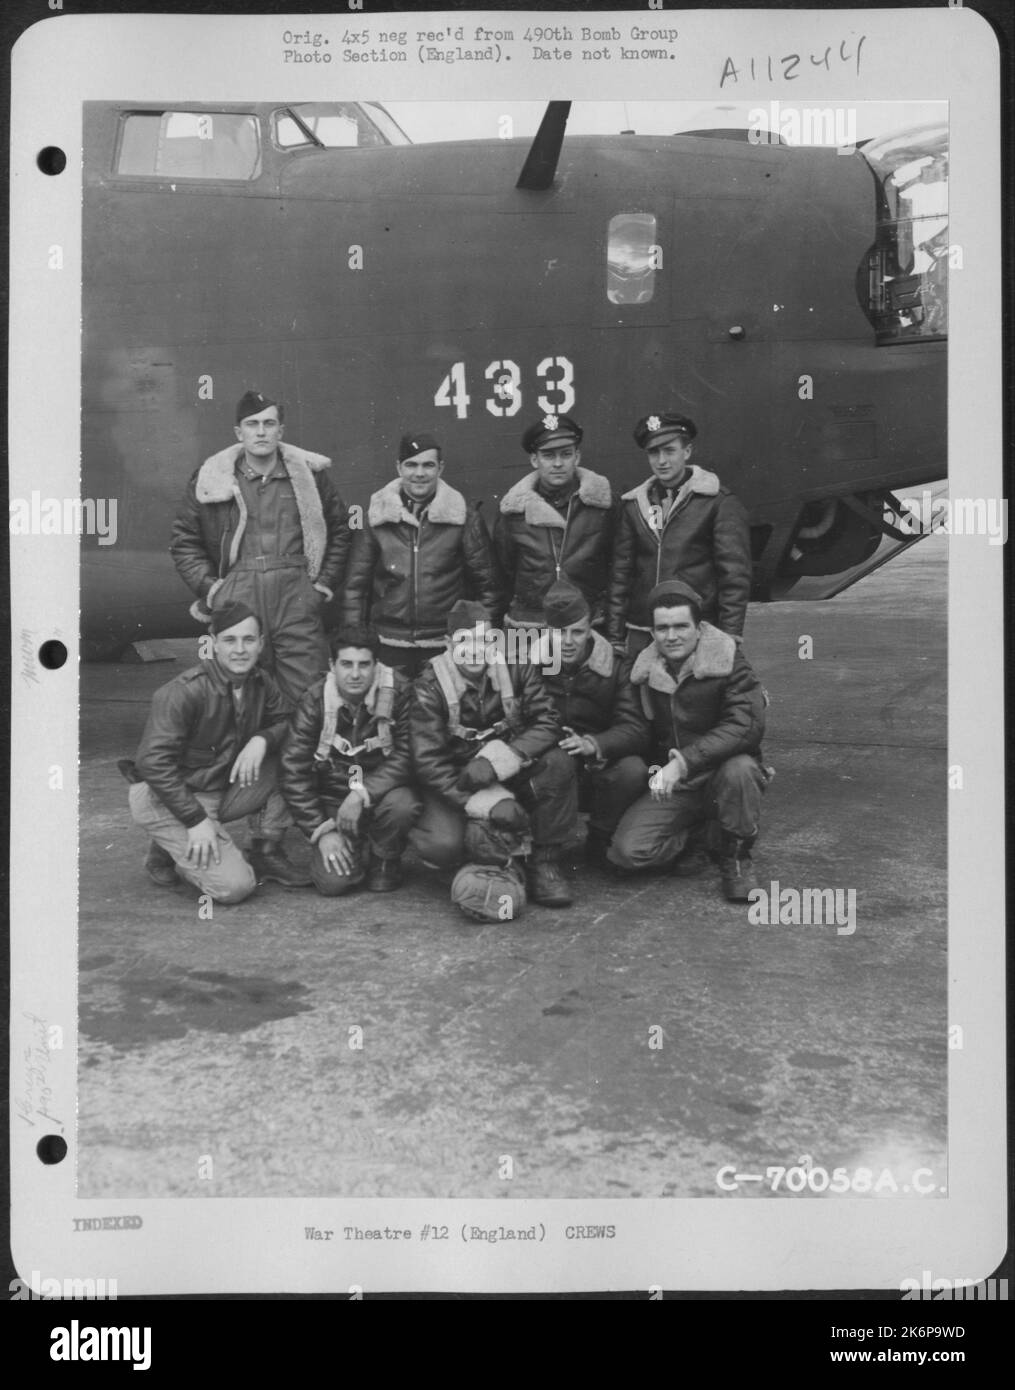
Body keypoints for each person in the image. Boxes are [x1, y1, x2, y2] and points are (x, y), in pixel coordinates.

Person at [170, 389, 352, 707]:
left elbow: (340, 532)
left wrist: (321, 586)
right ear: (239, 433)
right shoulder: (212, 479)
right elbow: (184, 540)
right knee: (239, 694)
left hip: (296, 594)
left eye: (269, 423)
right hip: (239, 593)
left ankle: (302, 758)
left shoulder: (310, 477)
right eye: (252, 424)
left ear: (281, 431)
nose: (261, 431)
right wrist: (214, 591)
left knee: (309, 692)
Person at [127, 603, 309, 902]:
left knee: (294, 755)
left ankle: (265, 849)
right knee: (235, 887)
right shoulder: (184, 691)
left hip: (217, 789)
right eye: (230, 640)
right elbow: (152, 762)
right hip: (165, 797)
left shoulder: (260, 682)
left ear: (261, 644)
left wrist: (262, 739)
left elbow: (288, 722)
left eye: (249, 640)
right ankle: (174, 844)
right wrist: (196, 821)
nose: (240, 649)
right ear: (212, 644)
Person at [608, 580, 770, 901]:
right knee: (627, 853)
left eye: (681, 626)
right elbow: (633, 728)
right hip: (677, 786)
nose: (672, 636)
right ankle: (701, 836)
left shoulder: (730, 660)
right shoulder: (643, 669)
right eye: (662, 628)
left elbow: (746, 724)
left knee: (741, 769)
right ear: (652, 633)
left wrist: (682, 763)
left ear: (699, 628)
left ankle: (736, 857)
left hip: (719, 774)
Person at [409, 601, 579, 907]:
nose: (475, 651)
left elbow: (548, 721)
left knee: (558, 763)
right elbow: (427, 762)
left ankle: (544, 862)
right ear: (448, 644)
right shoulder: (429, 686)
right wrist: (482, 804)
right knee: (442, 844)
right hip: (457, 779)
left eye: (483, 641)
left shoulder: (517, 666)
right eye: (464, 642)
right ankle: (479, 859)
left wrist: (503, 759)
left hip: (505, 769)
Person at [341, 431, 504, 677]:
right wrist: (358, 645)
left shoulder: (465, 518)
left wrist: (476, 643)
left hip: (445, 647)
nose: (419, 473)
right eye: (411, 465)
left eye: (428, 465)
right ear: (398, 467)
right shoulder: (375, 517)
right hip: (388, 647)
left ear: (440, 468)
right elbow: (355, 588)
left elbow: (489, 588)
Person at [280, 626, 420, 896]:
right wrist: (321, 831)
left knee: (404, 804)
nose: (355, 674)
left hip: (380, 796)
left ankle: (384, 856)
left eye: (364, 665)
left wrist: (361, 794)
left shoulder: (400, 693)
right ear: (332, 665)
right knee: (333, 884)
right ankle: (352, 845)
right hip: (334, 799)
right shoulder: (313, 701)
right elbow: (292, 770)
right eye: (346, 664)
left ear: (376, 665)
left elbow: (409, 755)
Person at [605, 412, 752, 655]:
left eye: (669, 450)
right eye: (654, 452)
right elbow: (621, 576)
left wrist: (729, 636)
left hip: (697, 629)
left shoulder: (718, 503)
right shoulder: (633, 505)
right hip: (645, 631)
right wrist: (616, 638)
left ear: (687, 451)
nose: (661, 460)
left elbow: (734, 577)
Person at [538, 578, 650, 859]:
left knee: (633, 769)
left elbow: (635, 727)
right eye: (558, 632)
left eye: (577, 632)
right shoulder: (529, 664)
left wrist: (594, 744)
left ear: (590, 628)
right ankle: (545, 849)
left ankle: (601, 836)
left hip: (597, 764)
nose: (567, 641)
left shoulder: (616, 665)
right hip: (551, 761)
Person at [493, 413, 615, 627]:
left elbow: (616, 569)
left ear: (577, 457)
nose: (558, 463)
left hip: (587, 624)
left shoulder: (602, 505)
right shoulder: (512, 511)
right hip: (531, 624)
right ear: (534, 460)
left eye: (566, 454)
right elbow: (504, 573)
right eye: (548, 455)